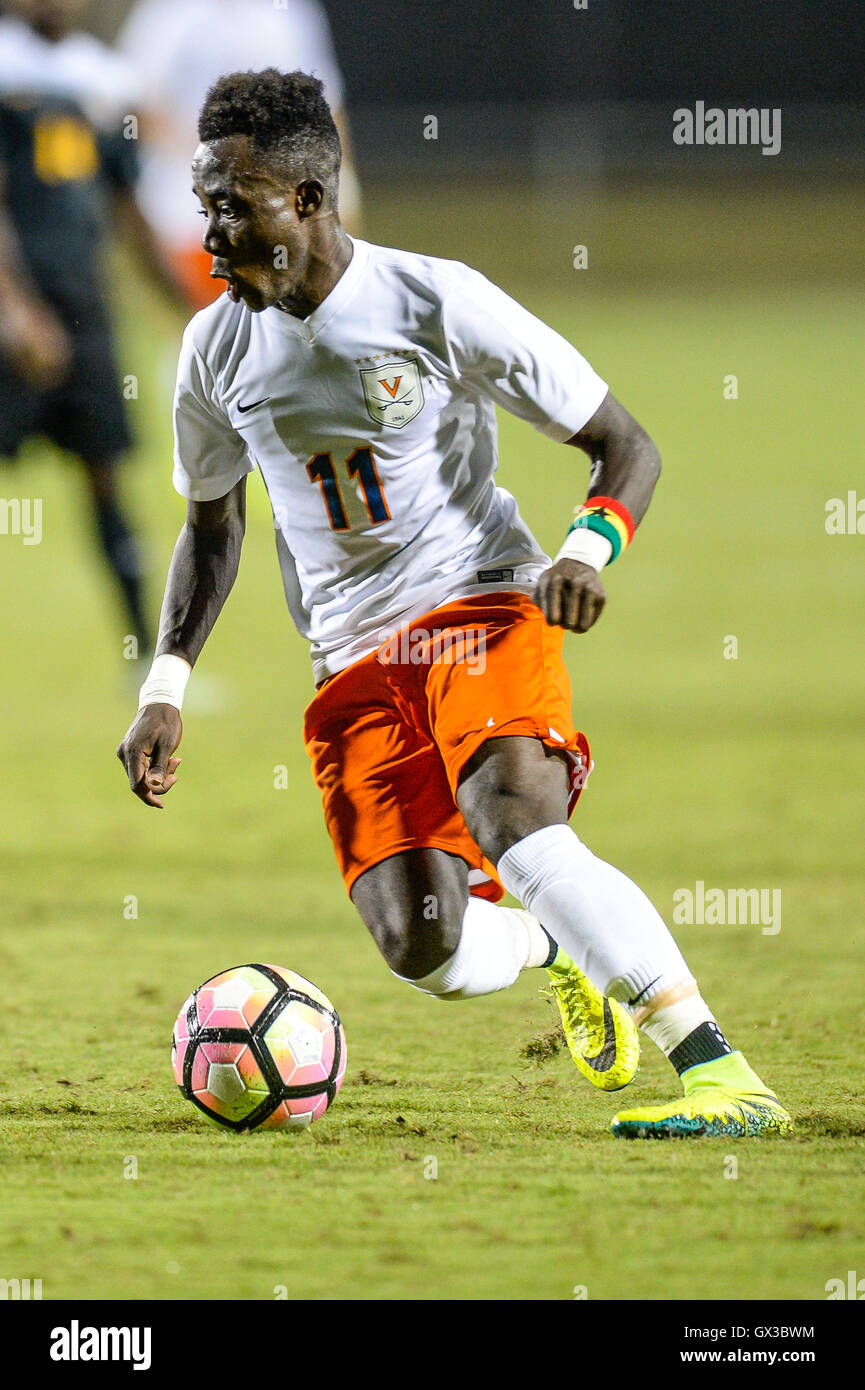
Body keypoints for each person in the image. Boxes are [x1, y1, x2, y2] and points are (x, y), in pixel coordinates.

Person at [117, 68, 792, 1139]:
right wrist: (166, 687)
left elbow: (625, 444)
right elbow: (213, 528)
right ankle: (552, 942)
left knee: (518, 825)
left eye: (229, 208)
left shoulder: (436, 300)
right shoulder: (212, 350)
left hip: (477, 601)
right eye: (202, 204)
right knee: (420, 946)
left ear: (305, 201)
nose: (206, 234)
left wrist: (584, 547)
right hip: (347, 660)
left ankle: (717, 1072)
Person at [0, 0, 189, 660]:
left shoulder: (99, 83)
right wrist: (16, 310)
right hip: (15, 316)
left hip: (85, 316)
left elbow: (129, 212)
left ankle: (146, 659)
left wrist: (198, 307)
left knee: (107, 477)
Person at [116, 0, 361, 310]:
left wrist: (338, 178)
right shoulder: (171, 12)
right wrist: (218, 159)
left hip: (280, 195)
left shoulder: (289, 12)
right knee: (222, 315)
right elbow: (138, 101)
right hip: (189, 199)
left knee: (295, 313)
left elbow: (327, 102)